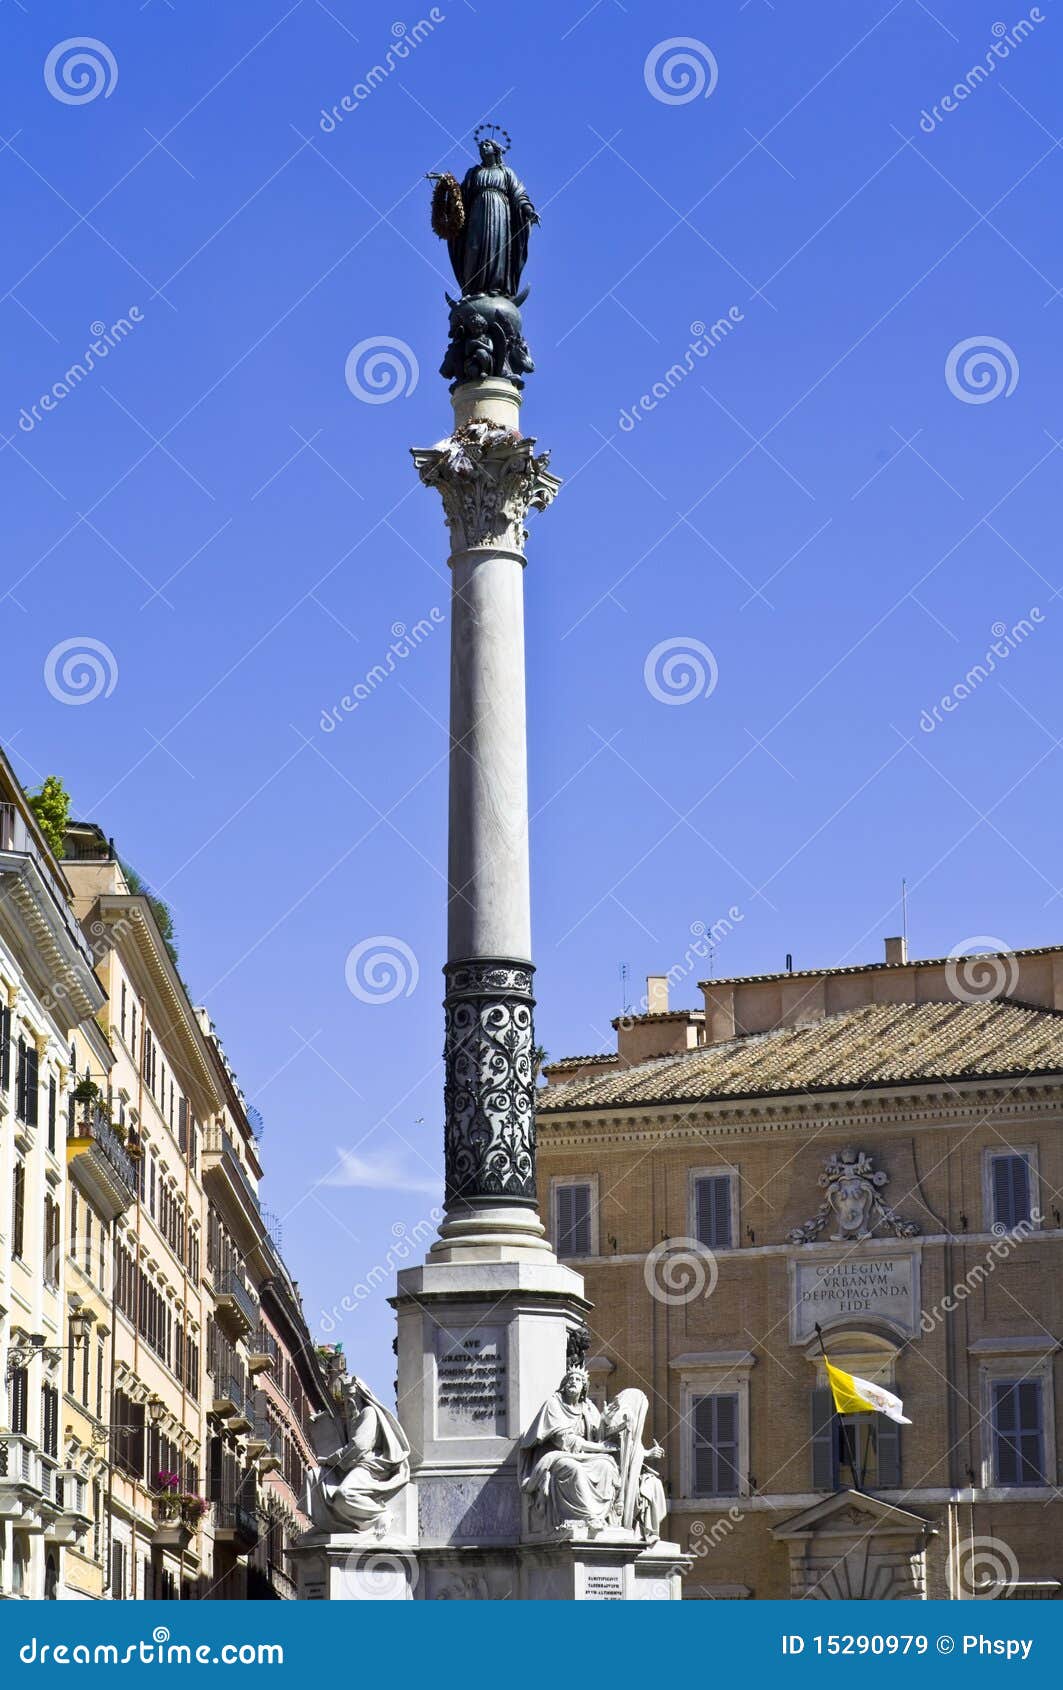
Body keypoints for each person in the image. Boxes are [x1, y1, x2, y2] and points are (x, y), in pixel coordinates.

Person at [520, 1368, 621, 1532]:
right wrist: (600, 1448)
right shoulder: (553, 1404)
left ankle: (602, 1516)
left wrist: (606, 1421)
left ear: (584, 1388)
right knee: (573, 1469)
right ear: (564, 1385)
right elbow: (564, 1440)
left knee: (607, 1466)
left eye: (578, 1379)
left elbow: (597, 1436)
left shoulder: (588, 1407)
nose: (573, 1381)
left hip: (583, 1456)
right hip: (558, 1456)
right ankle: (589, 1516)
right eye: (570, 1379)